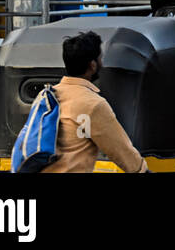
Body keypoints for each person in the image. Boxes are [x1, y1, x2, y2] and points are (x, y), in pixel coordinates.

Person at [43, 31, 149, 173]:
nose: (102, 62)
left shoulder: (46, 95)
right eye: (100, 57)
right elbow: (121, 151)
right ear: (92, 65)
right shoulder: (93, 105)